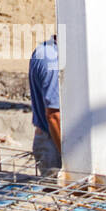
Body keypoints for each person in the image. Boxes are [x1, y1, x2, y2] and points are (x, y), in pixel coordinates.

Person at [28, 34, 62, 174]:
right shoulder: (53, 60)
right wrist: (69, 156)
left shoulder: (44, 50)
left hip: (48, 139)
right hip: (54, 142)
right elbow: (53, 116)